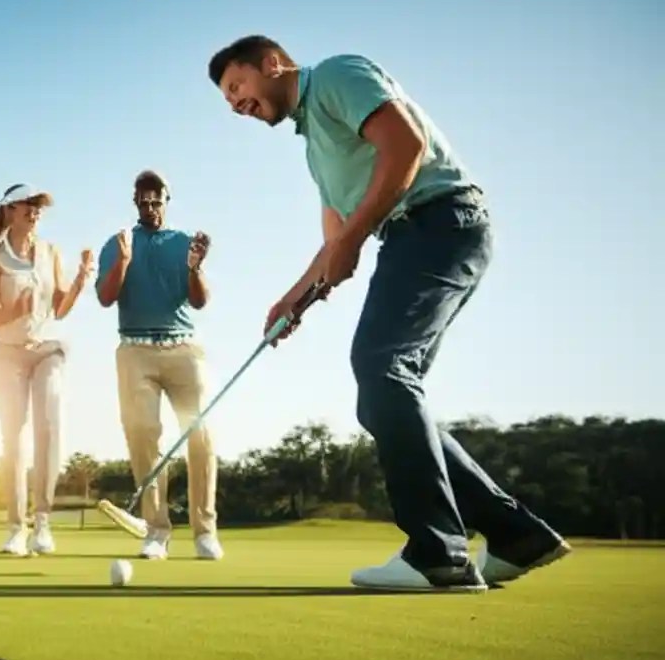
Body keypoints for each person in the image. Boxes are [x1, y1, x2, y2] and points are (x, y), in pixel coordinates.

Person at [207, 34, 571, 591]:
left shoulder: (334, 75)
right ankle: (516, 534)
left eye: (237, 86)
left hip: (440, 223)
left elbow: (406, 145)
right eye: (229, 101)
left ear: (271, 64)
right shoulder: (315, 151)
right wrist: (293, 299)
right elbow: (336, 251)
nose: (236, 104)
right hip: (415, 238)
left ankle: (438, 553)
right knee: (386, 397)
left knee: (381, 369)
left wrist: (352, 240)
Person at [94, 170, 223, 561]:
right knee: (142, 433)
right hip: (135, 350)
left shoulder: (184, 243)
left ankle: (205, 531)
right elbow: (105, 297)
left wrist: (195, 268)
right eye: (143, 201)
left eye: (157, 200)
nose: (150, 207)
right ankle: (157, 531)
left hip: (184, 349)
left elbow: (199, 302)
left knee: (201, 436)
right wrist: (124, 262)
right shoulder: (118, 244)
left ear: (167, 200)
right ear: (135, 202)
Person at [0, 183, 93, 557]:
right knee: (13, 437)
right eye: (28, 204)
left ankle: (42, 522)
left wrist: (79, 280)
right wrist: (16, 308)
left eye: (39, 206)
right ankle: (15, 527)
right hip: (7, 354)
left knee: (48, 426)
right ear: (9, 210)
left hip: (47, 350)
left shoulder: (50, 252)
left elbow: (59, 309)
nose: (35, 211)